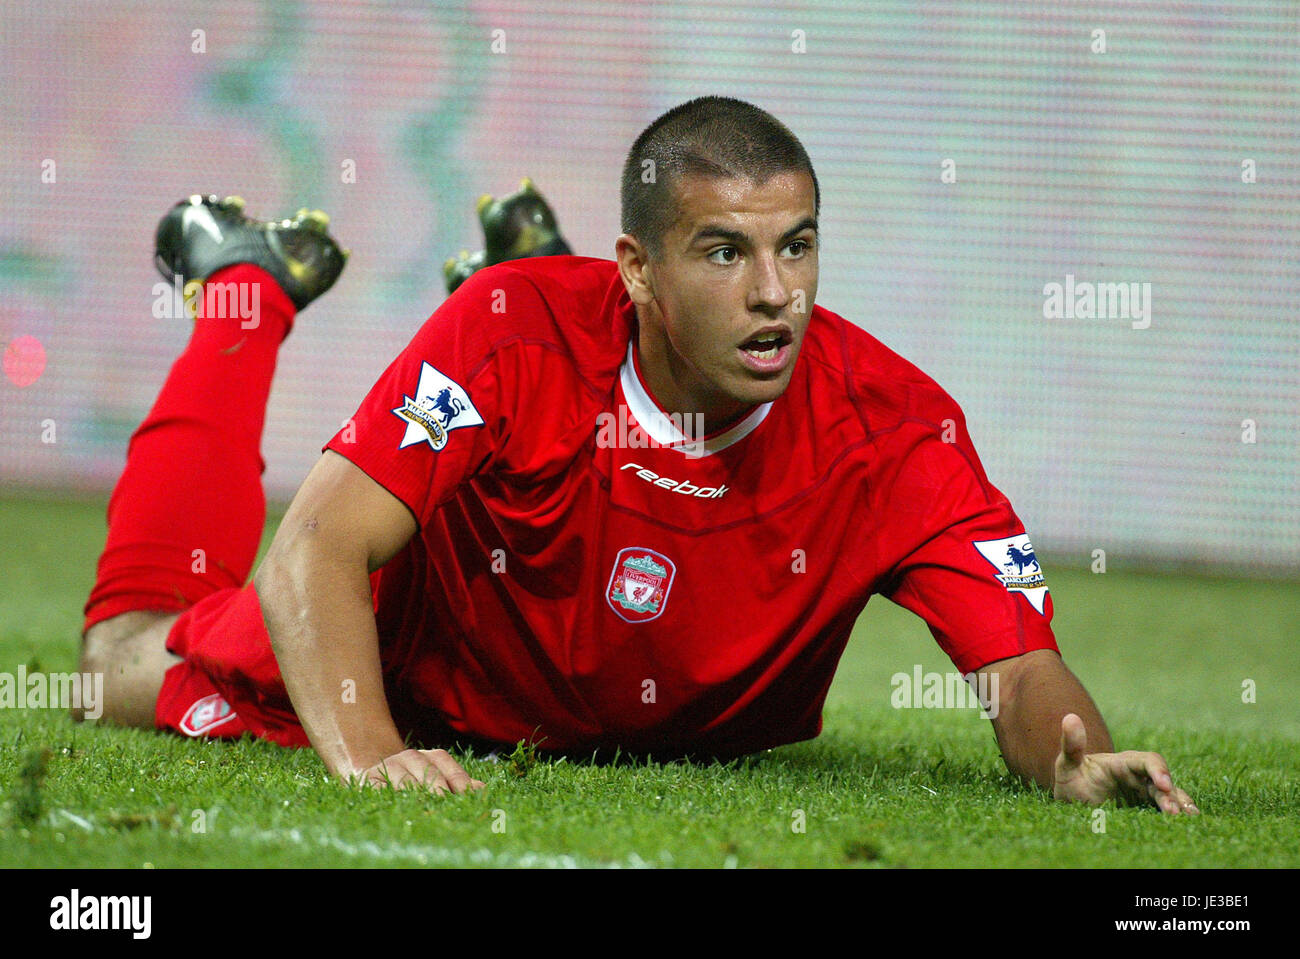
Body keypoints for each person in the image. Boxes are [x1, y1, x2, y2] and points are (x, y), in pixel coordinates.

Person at [78, 96, 1197, 814]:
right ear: (639, 267)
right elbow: (310, 546)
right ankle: (242, 293)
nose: (776, 293)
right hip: (422, 666)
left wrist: (1073, 759)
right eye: (724, 252)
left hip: (604, 667)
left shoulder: (897, 429)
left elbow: (1018, 663)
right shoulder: (514, 327)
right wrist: (370, 749)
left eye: (796, 246)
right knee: (112, 661)